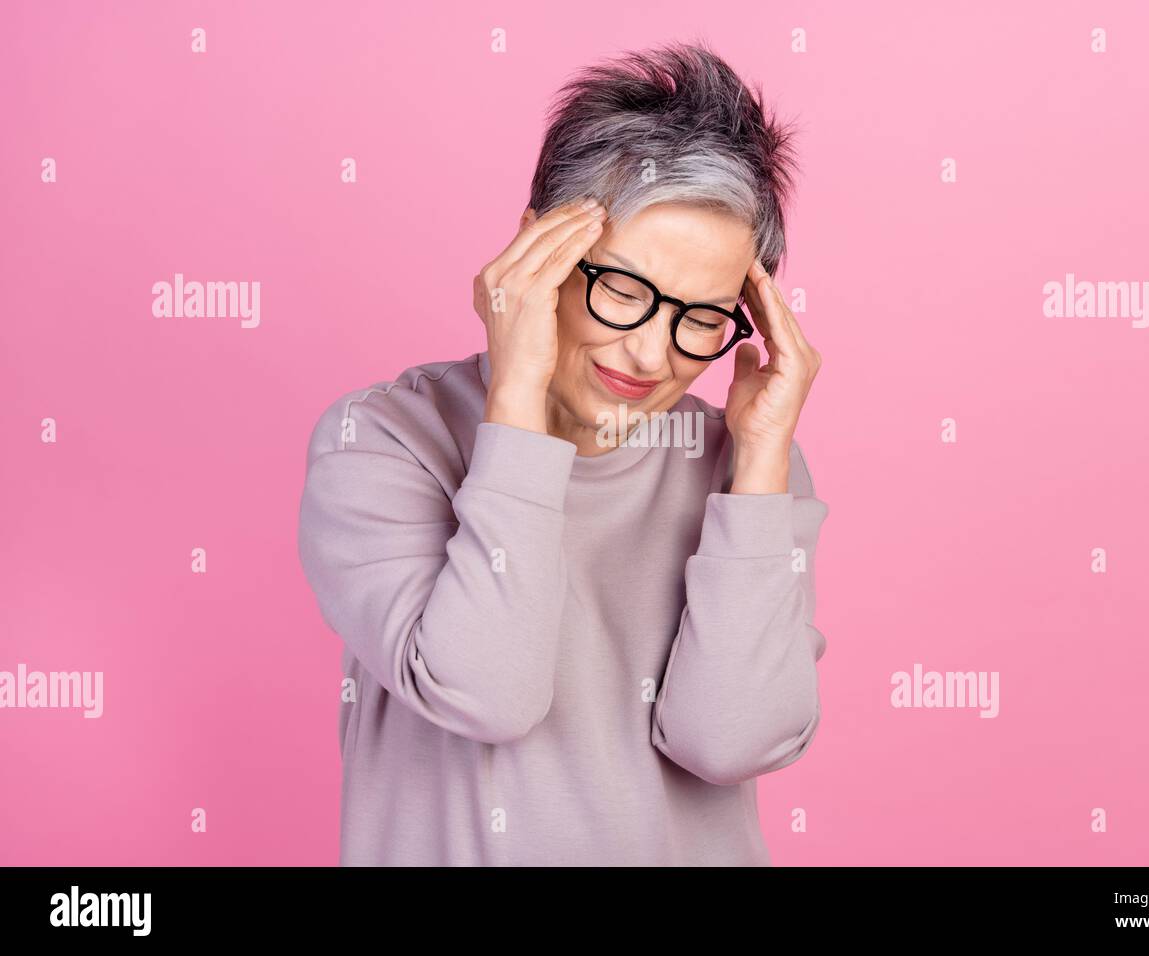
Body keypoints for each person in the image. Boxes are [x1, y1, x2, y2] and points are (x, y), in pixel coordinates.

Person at [297, 41, 827, 866]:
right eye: (622, 289)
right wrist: (518, 402)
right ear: (534, 252)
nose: (653, 355)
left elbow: (729, 742)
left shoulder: (745, 469)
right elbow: (488, 693)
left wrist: (758, 468)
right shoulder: (382, 440)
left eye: (701, 316)